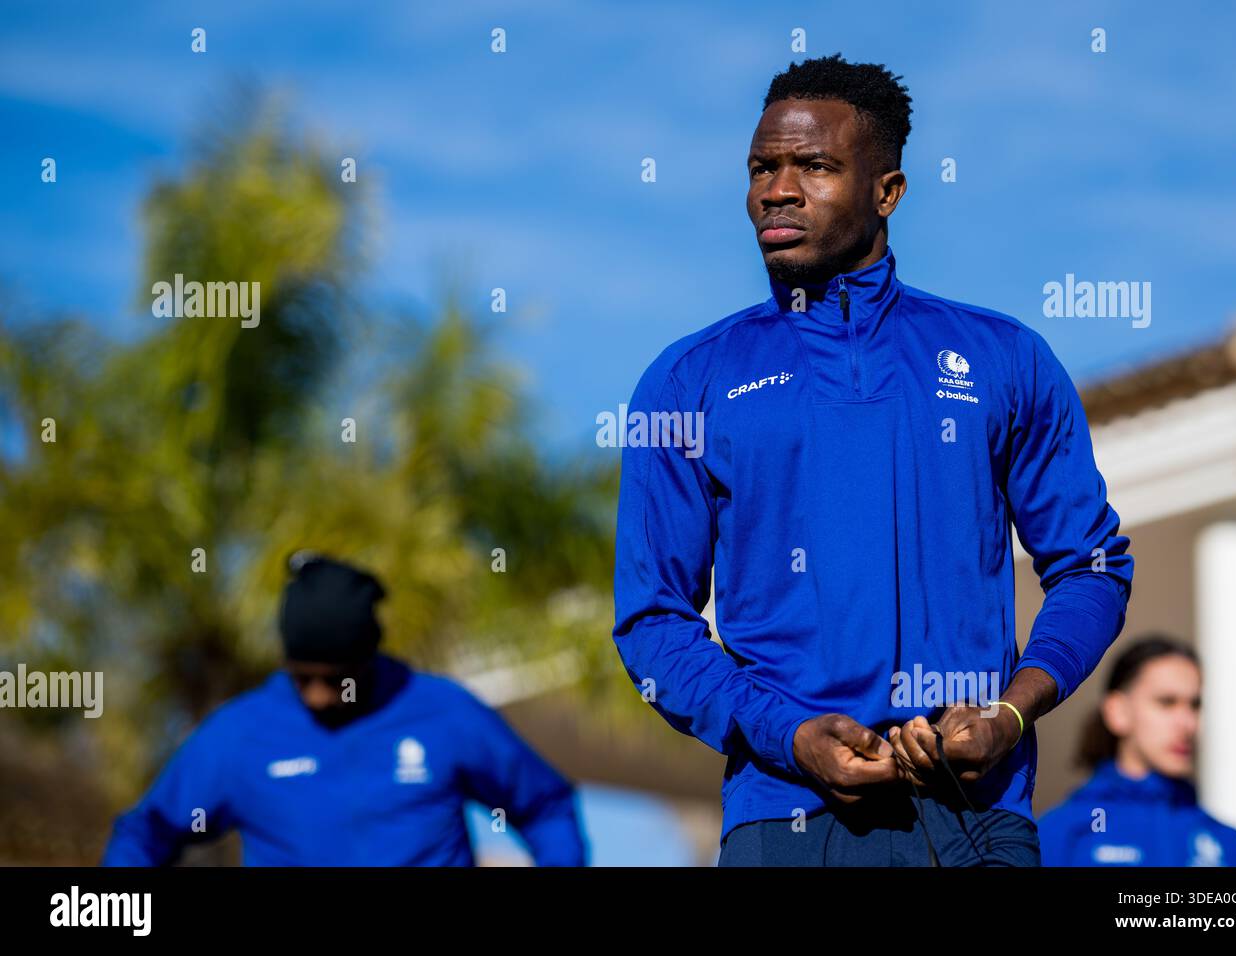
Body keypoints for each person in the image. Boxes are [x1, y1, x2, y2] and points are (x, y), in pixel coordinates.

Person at [612, 54, 1134, 866]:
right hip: (785, 819)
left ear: (887, 191)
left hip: (979, 817)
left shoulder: (1004, 357)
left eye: (813, 166)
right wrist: (786, 734)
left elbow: (1091, 567)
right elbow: (652, 619)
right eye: (761, 168)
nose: (777, 190)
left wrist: (1009, 713)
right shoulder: (689, 380)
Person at [103, 553, 586, 866]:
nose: (318, 695)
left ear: (367, 658)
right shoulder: (241, 735)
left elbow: (545, 807)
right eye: (302, 677)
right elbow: (146, 832)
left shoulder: (444, 713)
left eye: (336, 680)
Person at [1038, 636, 1236, 866]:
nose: (1188, 723)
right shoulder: (1062, 834)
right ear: (1118, 711)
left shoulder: (1228, 842)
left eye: (1195, 705)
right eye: (1167, 702)